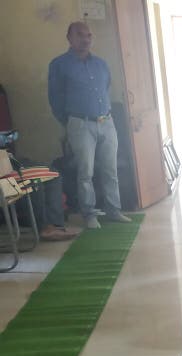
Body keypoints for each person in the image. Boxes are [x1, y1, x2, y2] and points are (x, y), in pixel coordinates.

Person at [48, 21, 131, 229]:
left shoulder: (101, 64)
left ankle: (114, 210)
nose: (85, 39)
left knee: (110, 169)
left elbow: (106, 87)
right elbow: (55, 98)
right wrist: (69, 123)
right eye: (80, 35)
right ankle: (89, 213)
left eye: (88, 35)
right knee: (86, 172)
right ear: (69, 38)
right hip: (80, 124)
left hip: (106, 121)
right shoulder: (59, 64)